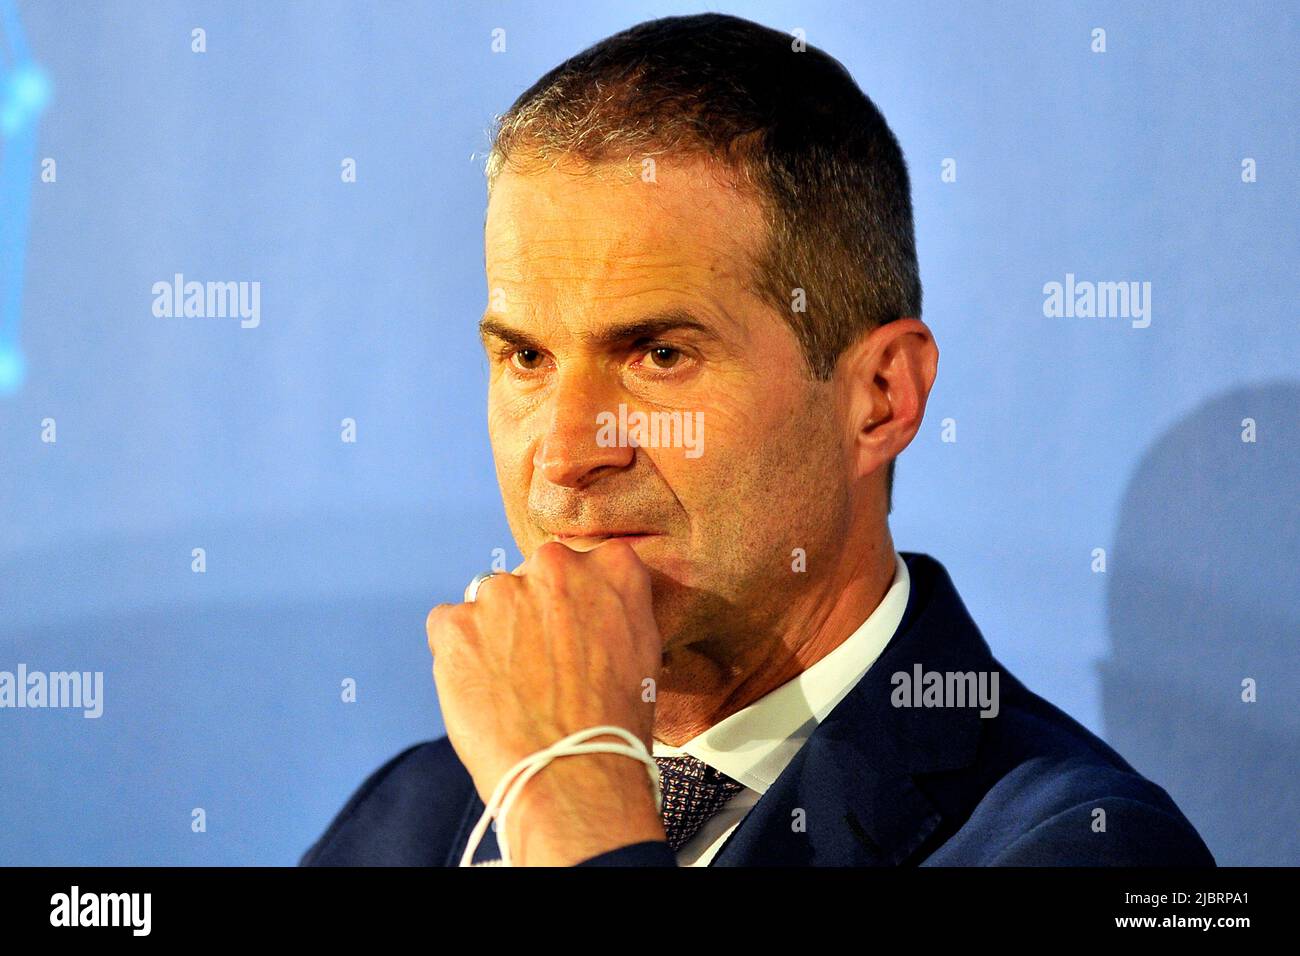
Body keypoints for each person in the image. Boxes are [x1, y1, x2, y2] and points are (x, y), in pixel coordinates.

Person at [300, 13, 1213, 867]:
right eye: (527, 357)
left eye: (659, 354)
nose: (566, 453)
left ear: (880, 398)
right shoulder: (413, 817)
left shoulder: (1079, 841)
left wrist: (578, 810)